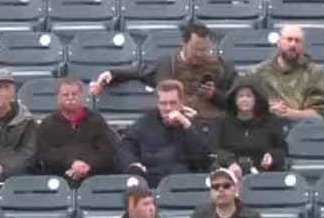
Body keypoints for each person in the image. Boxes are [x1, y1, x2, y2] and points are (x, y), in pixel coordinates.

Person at [91, 22, 236, 134]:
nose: (200, 54)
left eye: (204, 49)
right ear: (184, 44)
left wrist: (214, 95)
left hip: (211, 125)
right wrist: (112, 74)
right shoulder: (167, 64)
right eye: (196, 49)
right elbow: (139, 71)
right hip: (175, 127)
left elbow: (235, 102)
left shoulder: (221, 67)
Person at [117, 80, 213, 191]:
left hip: (186, 185)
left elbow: (204, 158)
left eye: (173, 103)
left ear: (181, 102)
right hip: (153, 184)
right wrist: (133, 164)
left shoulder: (194, 123)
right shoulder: (146, 122)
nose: (168, 108)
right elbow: (125, 147)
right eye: (163, 103)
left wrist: (186, 125)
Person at [247, 24, 324, 126]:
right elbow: (244, 108)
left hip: (304, 131)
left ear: (303, 46)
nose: (293, 45)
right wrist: (267, 109)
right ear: (279, 42)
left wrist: (292, 114)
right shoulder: (257, 73)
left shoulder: (315, 73)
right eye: (289, 39)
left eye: (297, 41)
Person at [34, 78, 119, 183]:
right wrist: (71, 163)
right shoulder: (47, 124)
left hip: (93, 177)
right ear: (58, 98)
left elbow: (106, 151)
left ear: (82, 97)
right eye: (66, 95)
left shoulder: (96, 120)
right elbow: (46, 154)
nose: (70, 98)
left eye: (74, 94)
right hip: (59, 179)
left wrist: (88, 165)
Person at [213, 81, 288, 179]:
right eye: (241, 96)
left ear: (256, 99)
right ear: (234, 100)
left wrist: (272, 156)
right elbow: (216, 150)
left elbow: (282, 150)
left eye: (249, 96)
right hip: (231, 174)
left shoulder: (271, 122)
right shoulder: (223, 123)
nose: (245, 99)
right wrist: (230, 162)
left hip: (263, 174)